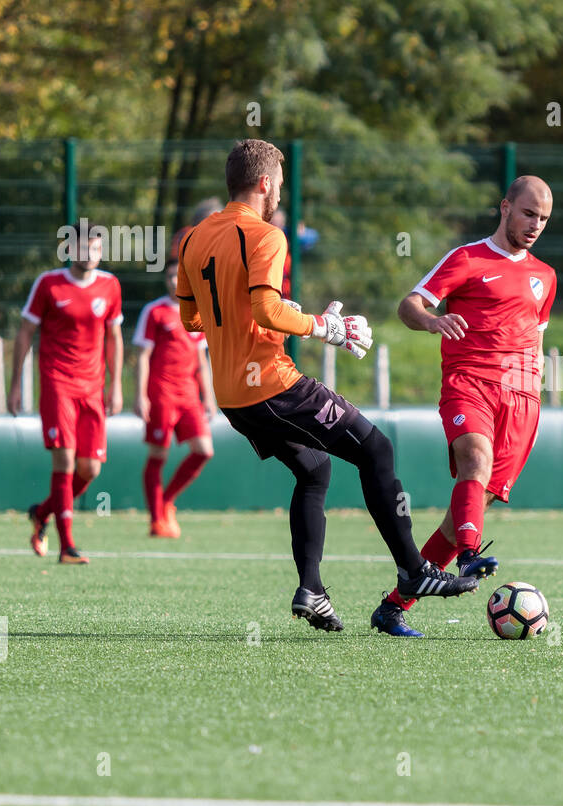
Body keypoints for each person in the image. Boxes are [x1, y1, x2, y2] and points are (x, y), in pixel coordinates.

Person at [176, 139, 472, 633]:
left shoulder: (193, 238)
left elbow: (192, 319)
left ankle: (311, 590)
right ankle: (414, 569)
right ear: (266, 184)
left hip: (231, 395)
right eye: (280, 187)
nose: (280, 197)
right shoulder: (268, 236)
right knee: (376, 449)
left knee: (314, 471)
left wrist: (274, 317)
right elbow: (265, 310)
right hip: (271, 385)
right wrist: (323, 327)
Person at [373, 175, 556, 637]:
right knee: (474, 458)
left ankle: (395, 606)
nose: (535, 225)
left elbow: (536, 338)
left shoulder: (545, 276)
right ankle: (473, 556)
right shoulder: (468, 258)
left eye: (544, 218)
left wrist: (534, 386)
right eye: (528, 213)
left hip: (520, 401)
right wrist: (434, 321)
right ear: (505, 208)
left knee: (459, 522)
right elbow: (409, 305)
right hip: (468, 383)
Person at [10, 223, 124, 565]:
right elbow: (25, 332)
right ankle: (67, 547)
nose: (88, 253)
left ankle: (42, 513)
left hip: (93, 388)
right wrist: (16, 384)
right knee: (65, 460)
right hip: (58, 383)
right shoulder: (48, 284)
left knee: (89, 470)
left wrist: (116, 386)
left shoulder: (110, 285)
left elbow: (114, 338)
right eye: (82, 247)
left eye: (95, 247)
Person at [134, 260, 216, 537]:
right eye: (170, 277)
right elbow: (143, 356)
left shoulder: (198, 312)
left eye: (179, 277)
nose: (174, 282)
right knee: (159, 454)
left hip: (189, 394)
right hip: (162, 394)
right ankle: (157, 518)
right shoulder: (154, 311)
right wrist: (140, 395)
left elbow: (202, 359)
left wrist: (209, 397)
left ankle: (166, 501)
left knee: (204, 450)